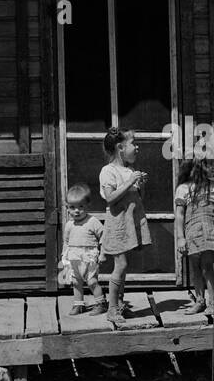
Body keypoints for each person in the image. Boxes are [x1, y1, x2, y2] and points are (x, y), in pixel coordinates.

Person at [98, 126, 151, 329]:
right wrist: (130, 182)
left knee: (124, 265)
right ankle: (112, 309)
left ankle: (119, 303)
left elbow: (138, 199)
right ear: (120, 147)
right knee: (120, 266)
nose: (137, 148)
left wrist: (141, 184)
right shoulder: (108, 171)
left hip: (128, 222)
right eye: (133, 144)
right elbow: (111, 199)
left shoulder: (128, 170)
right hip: (117, 224)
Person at [174, 157, 214, 316]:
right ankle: (200, 301)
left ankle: (212, 303)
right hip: (192, 233)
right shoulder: (184, 188)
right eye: (211, 164)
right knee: (195, 268)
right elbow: (180, 215)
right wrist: (180, 238)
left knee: (207, 266)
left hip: (210, 231)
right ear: (201, 167)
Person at [58, 183, 107, 315]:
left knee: (92, 281)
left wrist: (102, 254)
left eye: (81, 207)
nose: (77, 211)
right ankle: (79, 305)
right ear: (67, 208)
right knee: (76, 282)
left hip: (89, 256)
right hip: (74, 257)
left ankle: (100, 303)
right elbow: (66, 242)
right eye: (72, 207)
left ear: (88, 205)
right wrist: (64, 256)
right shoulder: (69, 225)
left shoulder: (93, 222)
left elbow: (103, 237)